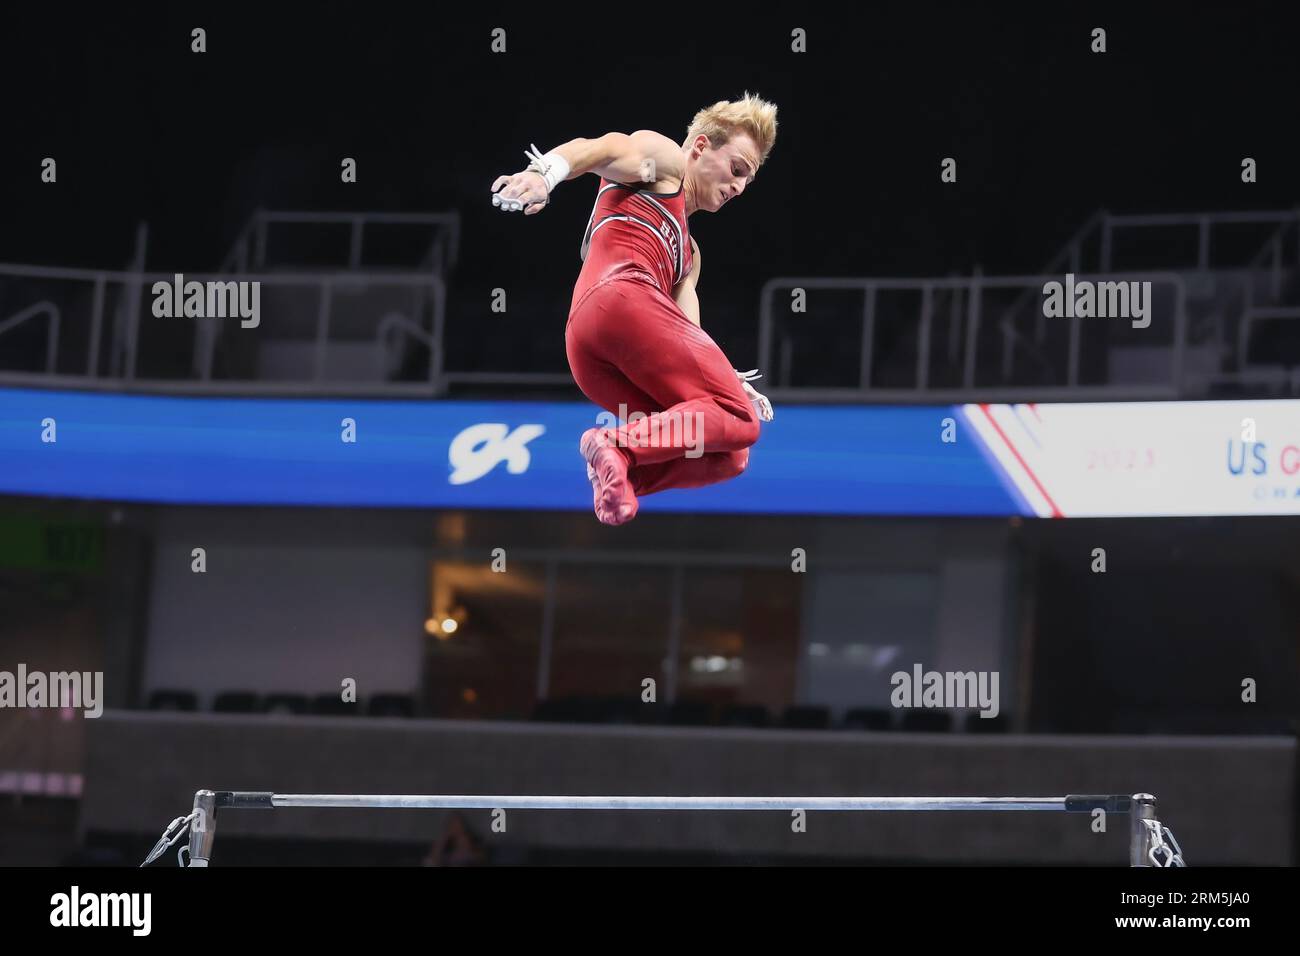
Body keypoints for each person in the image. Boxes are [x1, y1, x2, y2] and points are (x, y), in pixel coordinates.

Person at [491, 93, 778, 525]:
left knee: (730, 453)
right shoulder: (666, 165)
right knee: (739, 417)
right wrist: (543, 176)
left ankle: (617, 473)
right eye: (737, 169)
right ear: (700, 147)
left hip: (590, 348)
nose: (739, 186)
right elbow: (601, 148)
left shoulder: (689, 256)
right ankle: (615, 445)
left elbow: (688, 340)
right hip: (621, 296)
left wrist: (728, 379)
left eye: (747, 181)